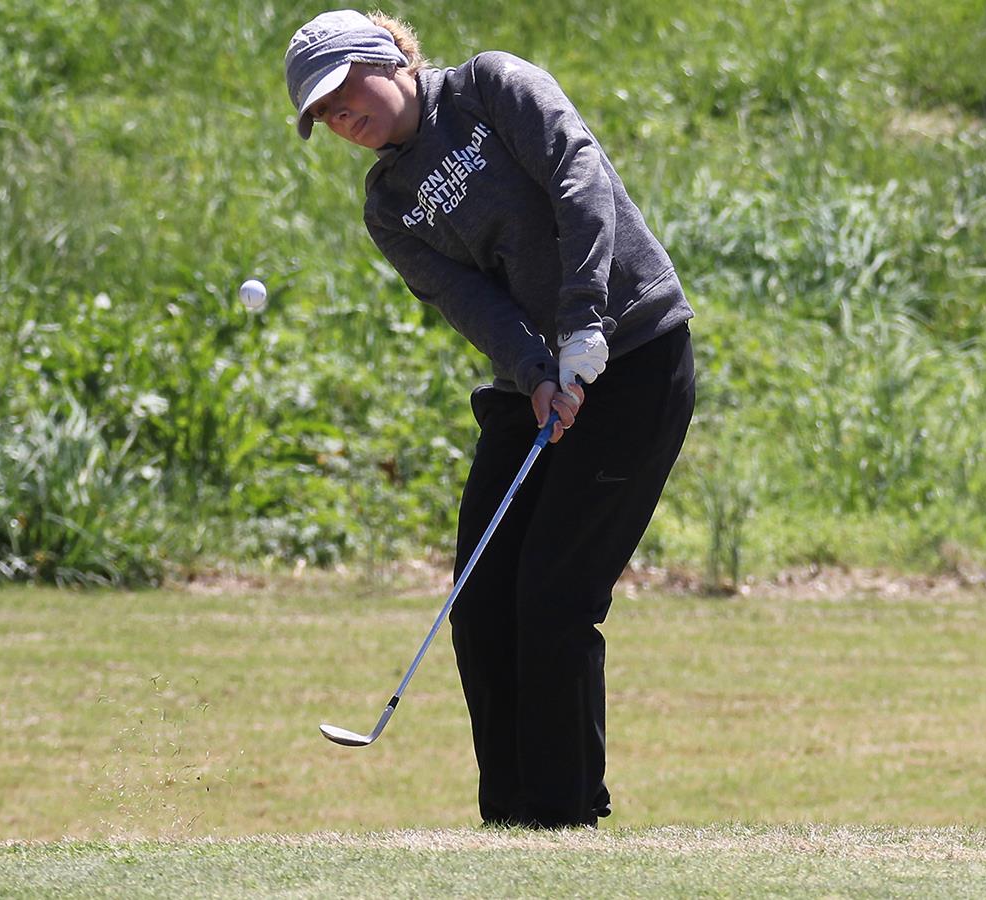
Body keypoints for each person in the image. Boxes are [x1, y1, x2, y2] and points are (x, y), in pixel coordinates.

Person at [285, 9, 695, 829]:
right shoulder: (387, 205)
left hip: (637, 354)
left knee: (553, 594)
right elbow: (468, 300)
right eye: (322, 114)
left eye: (342, 92)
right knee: (482, 597)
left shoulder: (489, 86)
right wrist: (536, 371)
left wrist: (585, 321)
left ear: (385, 59)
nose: (340, 118)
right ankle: (510, 823)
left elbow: (579, 178)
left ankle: (562, 815)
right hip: (538, 388)